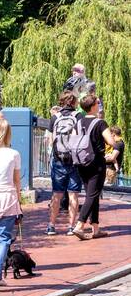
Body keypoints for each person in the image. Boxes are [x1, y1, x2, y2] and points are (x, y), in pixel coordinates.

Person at [74, 93, 116, 240]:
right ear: (93, 106)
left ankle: (96, 228)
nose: (99, 104)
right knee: (92, 195)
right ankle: (79, 226)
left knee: (93, 194)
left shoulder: (78, 122)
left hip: (81, 162)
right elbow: (111, 141)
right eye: (98, 103)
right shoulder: (100, 123)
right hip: (96, 163)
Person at [0, 114, 23, 281]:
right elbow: (17, 181)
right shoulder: (14, 154)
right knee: (3, 239)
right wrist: (19, 204)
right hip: (8, 198)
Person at [48, 90, 82, 236]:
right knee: (73, 195)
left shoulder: (55, 117)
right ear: (74, 102)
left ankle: (51, 226)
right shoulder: (79, 116)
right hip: (74, 161)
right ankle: (71, 226)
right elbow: (82, 138)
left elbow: (50, 140)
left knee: (57, 194)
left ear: (61, 101)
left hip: (58, 161)